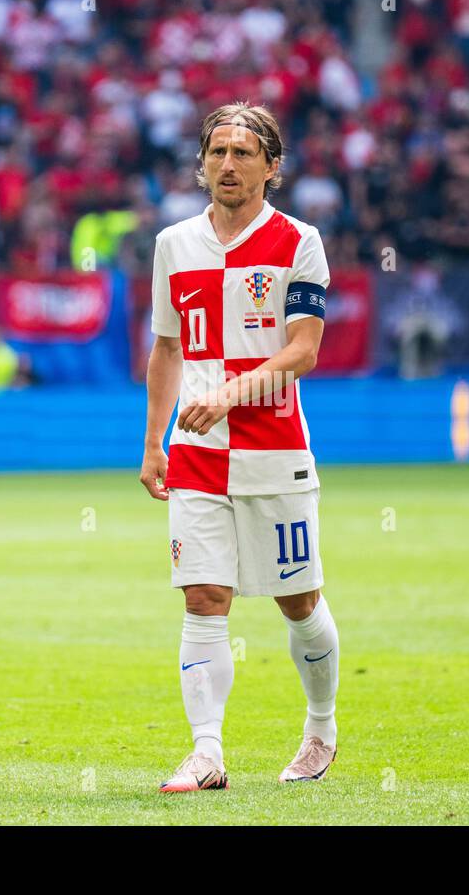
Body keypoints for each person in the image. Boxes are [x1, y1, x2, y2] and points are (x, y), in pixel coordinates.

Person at [140, 102, 339, 792]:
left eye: (244, 153)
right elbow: (166, 349)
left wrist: (228, 393)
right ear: (201, 164)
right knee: (203, 598)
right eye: (218, 152)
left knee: (299, 604)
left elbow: (304, 350)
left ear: (272, 167)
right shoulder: (173, 244)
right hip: (196, 455)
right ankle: (206, 752)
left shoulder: (298, 241)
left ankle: (320, 727)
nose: (228, 164)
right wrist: (153, 444)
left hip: (274, 450)